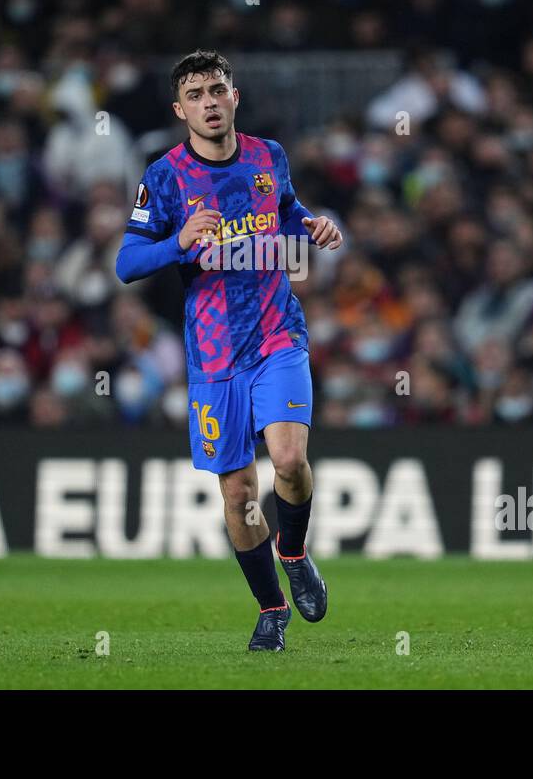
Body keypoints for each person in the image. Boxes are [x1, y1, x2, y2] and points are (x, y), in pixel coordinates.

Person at [115, 50, 344, 651]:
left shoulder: (270, 157)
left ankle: (292, 553)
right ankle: (271, 608)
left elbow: (285, 215)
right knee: (239, 492)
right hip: (213, 357)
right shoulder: (164, 177)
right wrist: (176, 243)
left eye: (217, 90)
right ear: (179, 109)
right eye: (195, 95)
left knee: (289, 460)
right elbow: (126, 262)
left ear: (234, 96)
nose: (209, 102)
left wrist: (311, 226)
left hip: (277, 336)